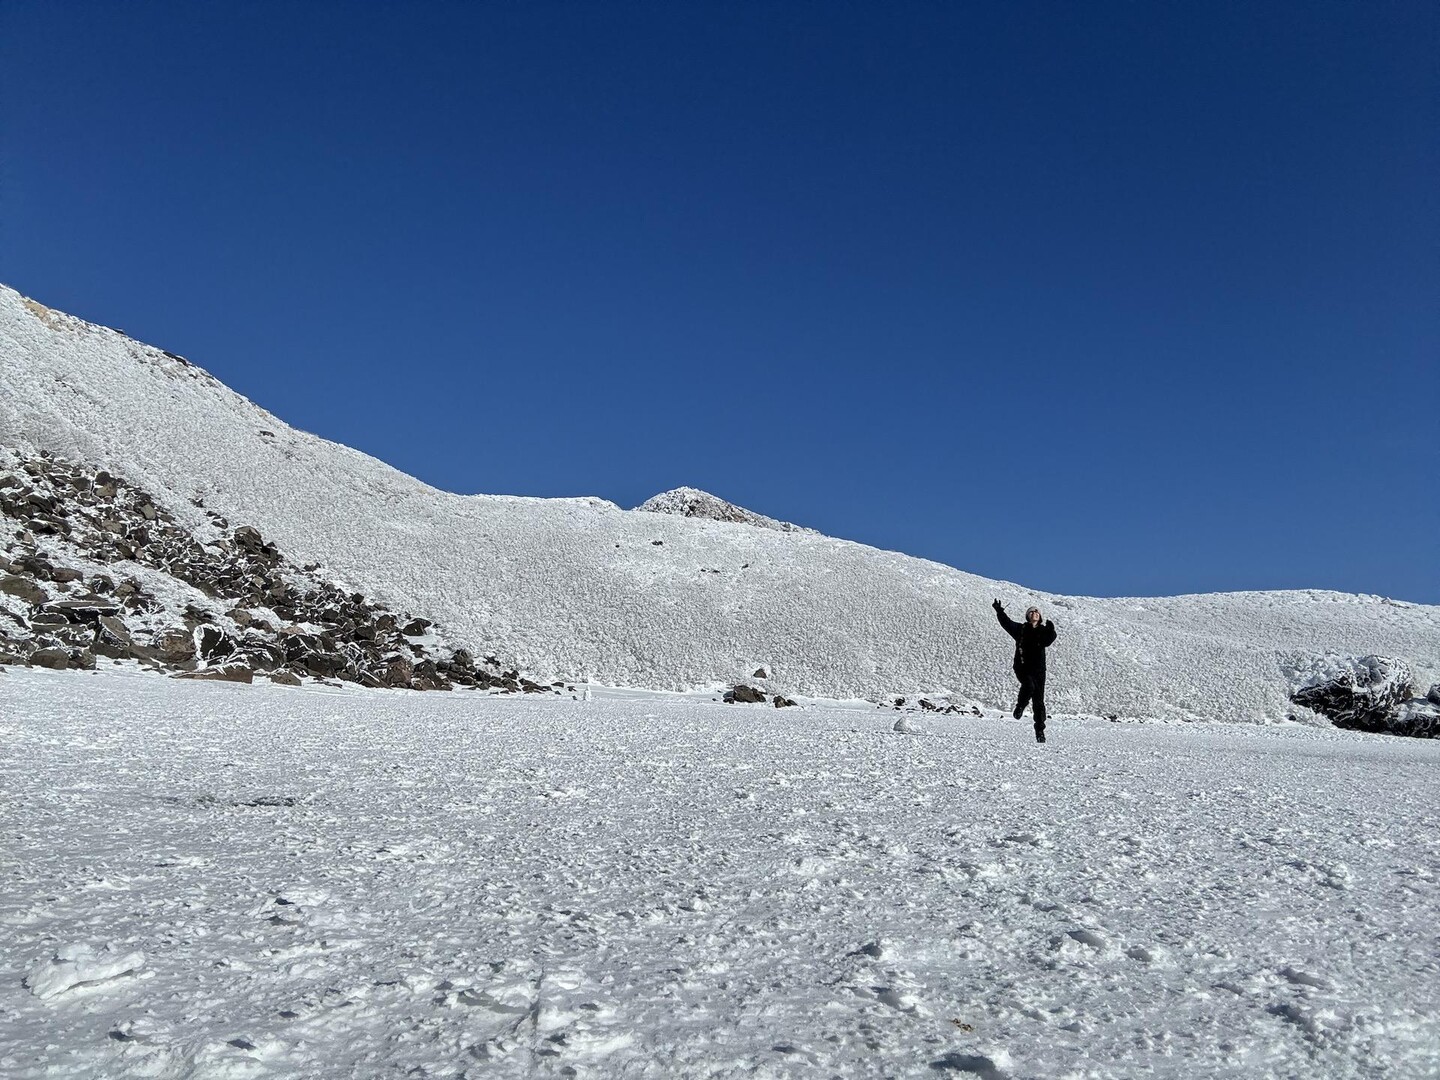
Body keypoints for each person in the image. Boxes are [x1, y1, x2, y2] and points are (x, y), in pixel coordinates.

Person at [992, 599, 1057, 743]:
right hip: (1023, 667)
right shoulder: (1021, 629)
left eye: (1037, 612)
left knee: (1039, 702)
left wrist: (1051, 630)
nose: (1035, 613)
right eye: (1032, 612)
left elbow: (1048, 641)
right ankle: (1020, 706)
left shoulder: (1043, 631)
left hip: (1039, 670)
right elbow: (1006, 623)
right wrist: (999, 611)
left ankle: (1040, 731)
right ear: (1028, 616)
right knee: (1029, 685)